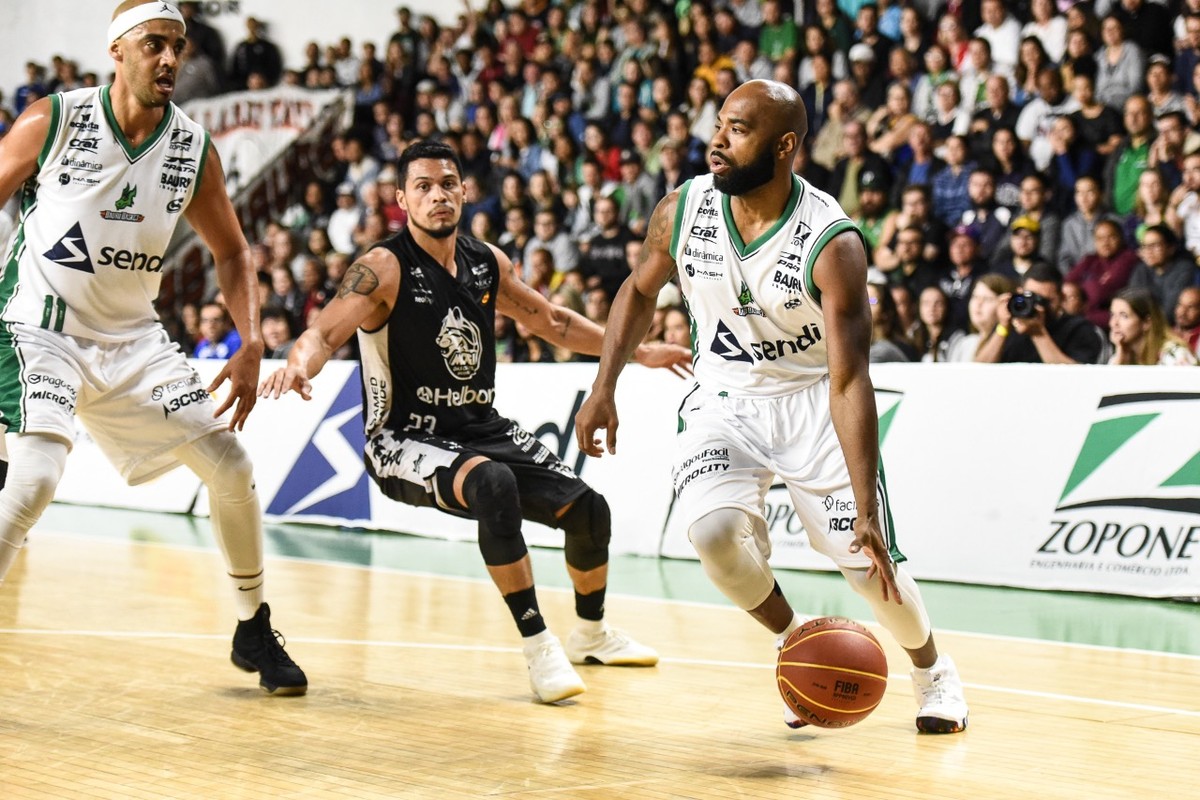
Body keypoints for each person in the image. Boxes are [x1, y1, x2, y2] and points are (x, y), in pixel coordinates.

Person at [574, 80, 968, 734]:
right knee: (714, 537)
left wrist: (867, 505)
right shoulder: (683, 209)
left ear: (785, 146)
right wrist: (603, 386)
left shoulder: (832, 243)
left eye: (739, 130)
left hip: (812, 403)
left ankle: (933, 672)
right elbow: (638, 292)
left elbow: (849, 382)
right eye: (721, 124)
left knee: (872, 569)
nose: (718, 140)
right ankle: (799, 646)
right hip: (724, 400)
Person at [258, 140, 693, 704]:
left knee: (588, 510)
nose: (437, 194)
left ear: (464, 191)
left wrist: (638, 350)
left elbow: (554, 321)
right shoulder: (383, 267)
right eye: (423, 186)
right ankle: (539, 646)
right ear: (401, 199)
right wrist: (298, 364)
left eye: (447, 183)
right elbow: (322, 333)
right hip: (401, 436)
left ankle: (591, 633)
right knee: (494, 483)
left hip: (477, 426)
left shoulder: (486, 260)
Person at [0, 1, 305, 695]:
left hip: (133, 339)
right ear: (118, 51)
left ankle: (252, 627)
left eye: (178, 46)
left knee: (230, 465)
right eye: (154, 44)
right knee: (37, 476)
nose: (170, 59)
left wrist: (252, 338)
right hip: (39, 324)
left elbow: (232, 252)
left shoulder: (193, 147)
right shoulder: (56, 119)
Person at [974, 263, 1105, 364]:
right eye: (1031, 297)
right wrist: (1002, 327)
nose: (1038, 306)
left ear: (1062, 298)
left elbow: (1075, 378)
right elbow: (978, 372)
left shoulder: (1079, 329)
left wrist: (1038, 333)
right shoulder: (1007, 327)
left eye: (1046, 301)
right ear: (1019, 292)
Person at [1108, 288, 1200, 366]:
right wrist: (1120, 357)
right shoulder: (1121, 352)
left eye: (1124, 316)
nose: (1114, 323)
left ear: (1147, 322)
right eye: (1112, 315)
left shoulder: (1175, 355)